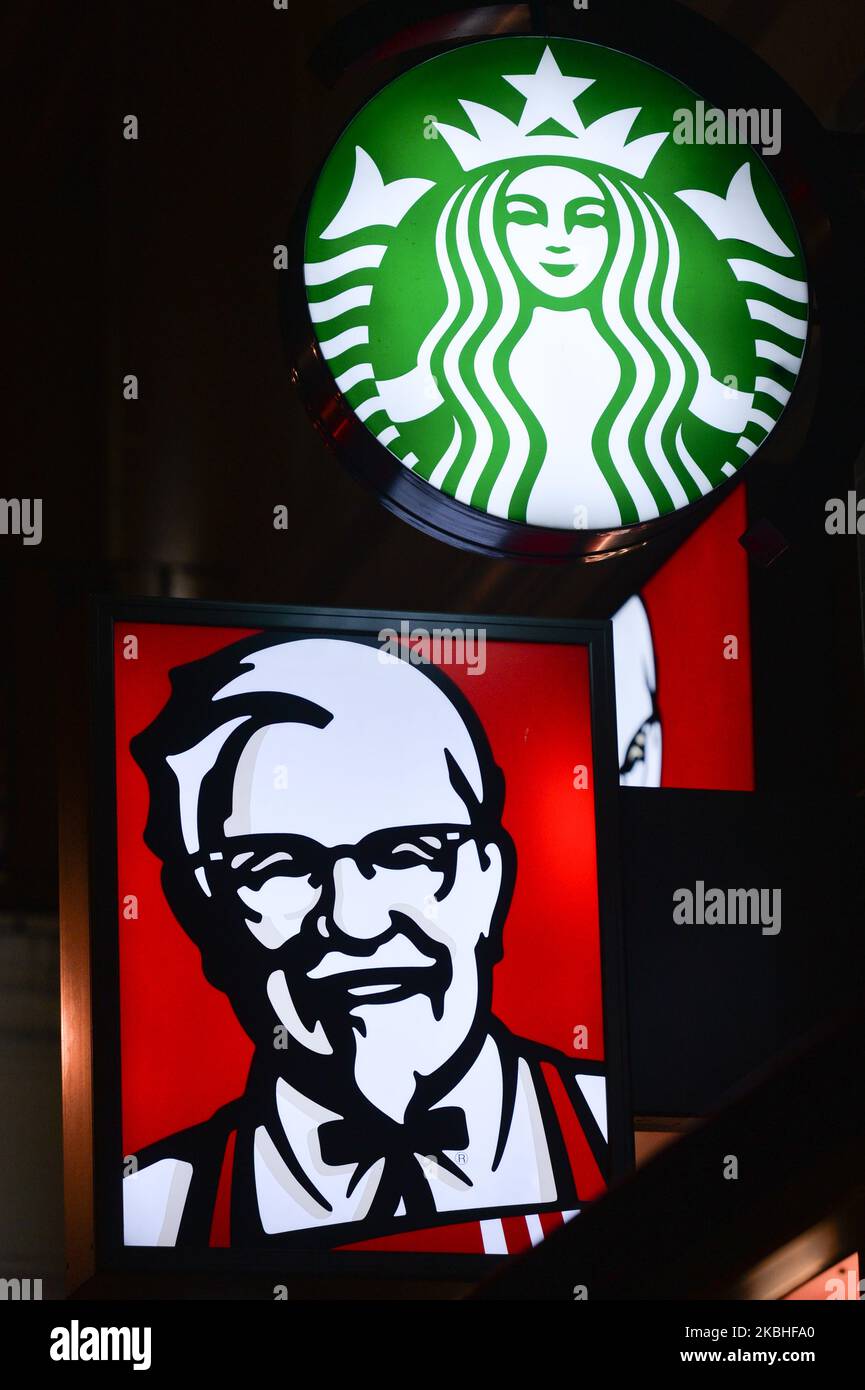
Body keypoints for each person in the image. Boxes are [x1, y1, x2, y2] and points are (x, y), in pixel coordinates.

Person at [123, 634, 608, 1253]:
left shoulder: (626, 1144)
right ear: (206, 915)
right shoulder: (152, 1212)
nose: (354, 921)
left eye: (408, 853)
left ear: (490, 881)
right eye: (277, 866)